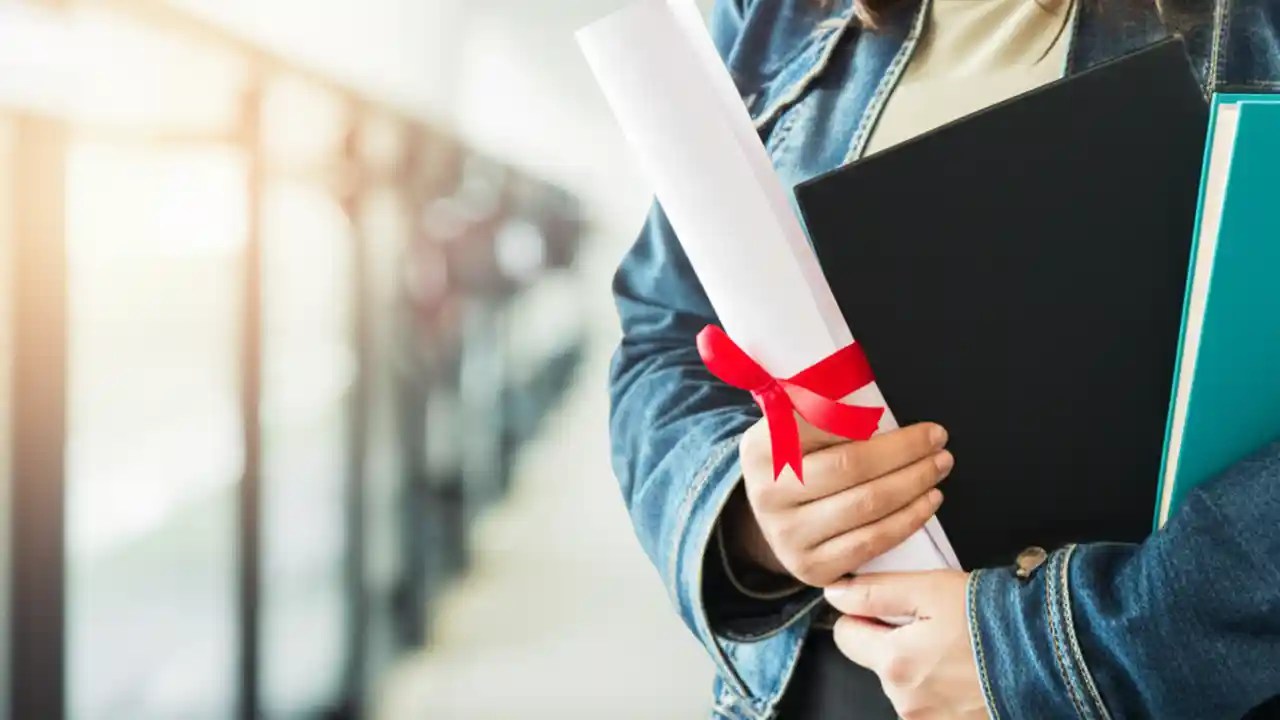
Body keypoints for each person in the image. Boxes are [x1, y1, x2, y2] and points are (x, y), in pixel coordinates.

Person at [607, 0, 1280, 717]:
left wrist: (1044, 650)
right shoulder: (775, 14)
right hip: (829, 683)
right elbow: (666, 330)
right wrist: (750, 515)